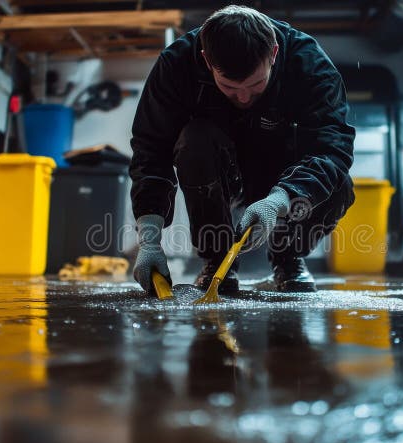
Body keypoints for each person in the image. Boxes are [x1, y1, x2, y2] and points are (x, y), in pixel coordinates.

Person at [130, 5, 355, 294]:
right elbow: (151, 148)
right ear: (206, 60)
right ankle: (217, 259)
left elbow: (332, 148)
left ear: (274, 53)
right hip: (218, 173)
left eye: (256, 84)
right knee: (194, 139)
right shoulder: (176, 65)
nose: (244, 97)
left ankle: (288, 258)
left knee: (338, 186)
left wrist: (282, 198)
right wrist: (149, 239)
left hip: (286, 175)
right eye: (229, 87)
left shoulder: (309, 64)